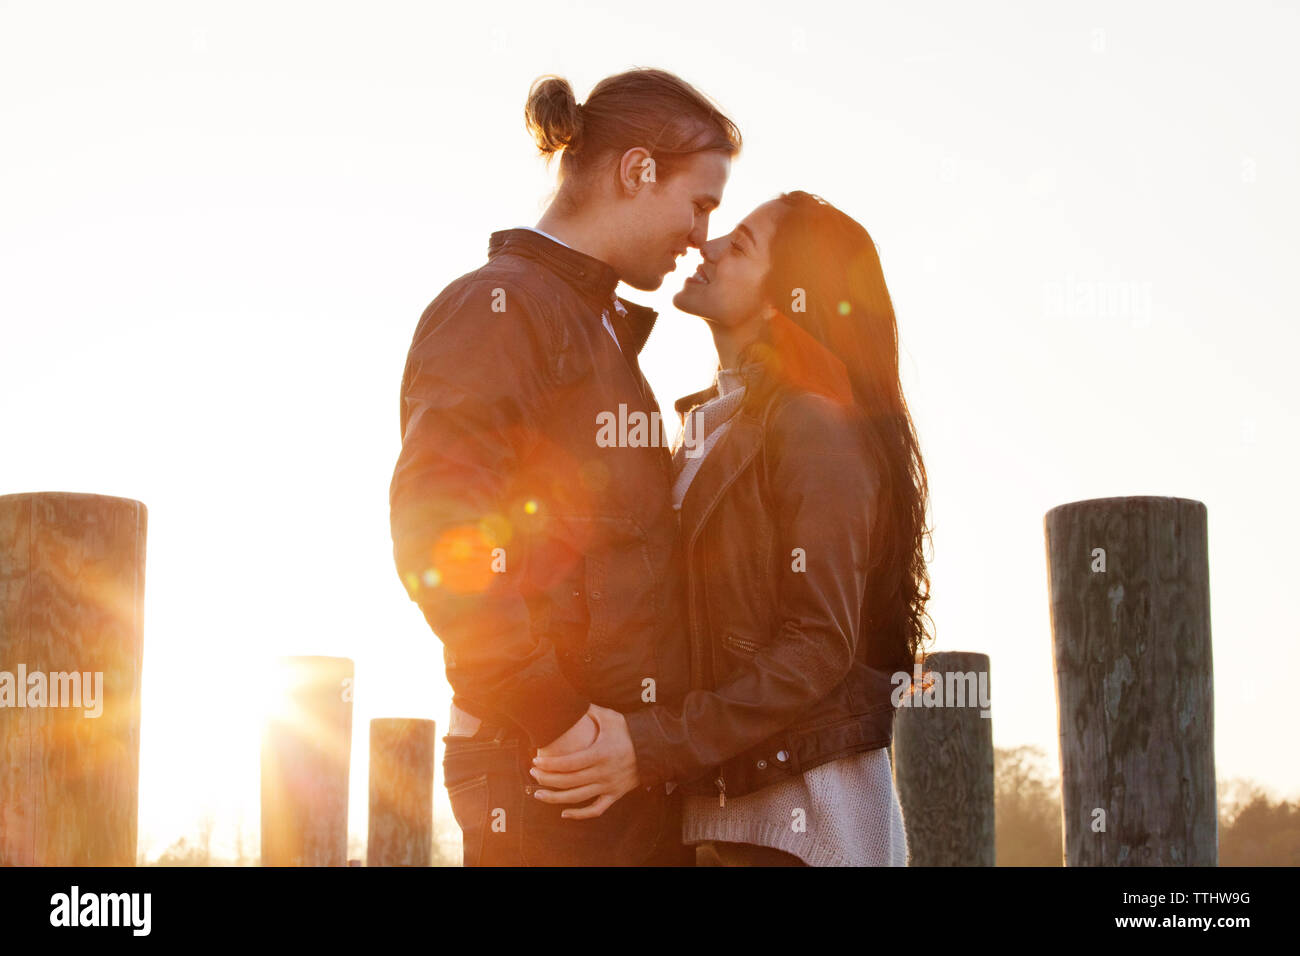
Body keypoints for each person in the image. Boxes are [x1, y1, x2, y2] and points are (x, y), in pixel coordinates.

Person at [388, 68, 741, 865]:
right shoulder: (495, 308)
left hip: (609, 773)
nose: (701, 234)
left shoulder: (599, 331)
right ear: (637, 170)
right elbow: (437, 531)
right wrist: (559, 719)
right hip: (547, 771)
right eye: (701, 203)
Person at [531, 191, 933, 866]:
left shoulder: (812, 420)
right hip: (733, 821)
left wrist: (647, 744)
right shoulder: (713, 429)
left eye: (739, 244)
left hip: (800, 826)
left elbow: (817, 645)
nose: (705, 245)